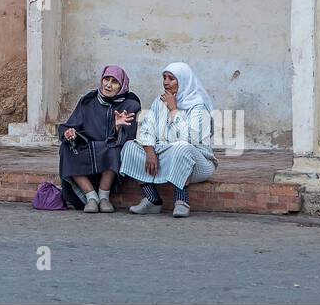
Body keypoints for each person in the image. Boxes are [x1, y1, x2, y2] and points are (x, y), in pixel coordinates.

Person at [119, 62, 216, 218]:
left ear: (183, 81)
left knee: (181, 147)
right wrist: (150, 152)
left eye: (171, 78)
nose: (165, 82)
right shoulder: (159, 101)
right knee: (130, 147)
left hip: (198, 162)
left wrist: (174, 110)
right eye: (164, 77)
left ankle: (182, 200)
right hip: (166, 156)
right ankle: (152, 199)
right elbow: (147, 128)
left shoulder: (198, 106)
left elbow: (191, 139)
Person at [57, 65, 141, 213]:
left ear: (122, 86)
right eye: (106, 79)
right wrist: (70, 133)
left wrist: (116, 127)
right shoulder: (88, 101)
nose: (108, 84)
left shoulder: (130, 104)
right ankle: (91, 197)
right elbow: (69, 126)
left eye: (114, 81)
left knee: (114, 149)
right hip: (88, 146)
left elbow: (128, 139)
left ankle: (104, 196)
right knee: (66, 149)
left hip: (109, 148)